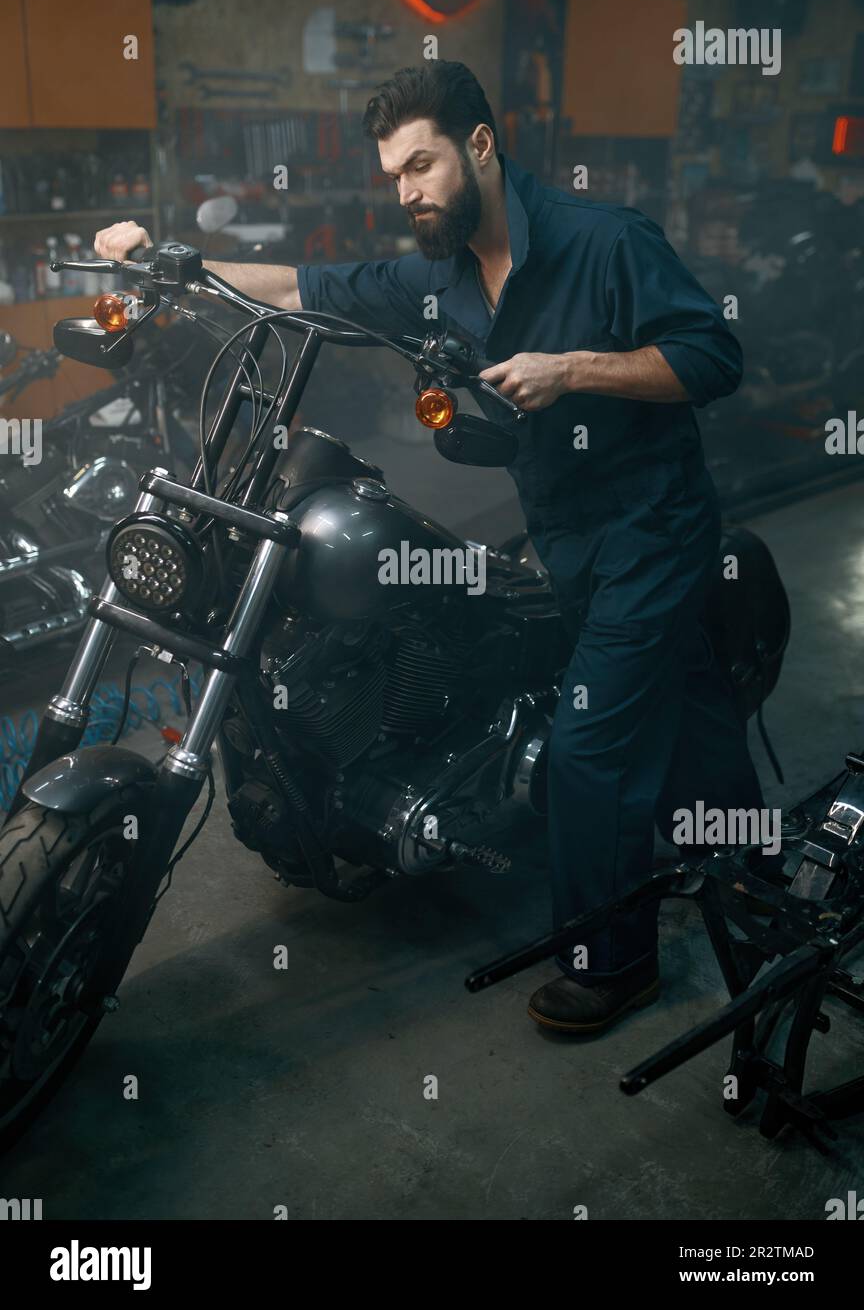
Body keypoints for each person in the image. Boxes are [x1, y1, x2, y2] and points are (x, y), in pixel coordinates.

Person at [94, 61, 764, 1036]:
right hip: (564, 535)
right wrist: (173, 261)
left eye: (420, 164)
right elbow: (301, 283)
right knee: (694, 703)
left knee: (588, 754)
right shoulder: (438, 276)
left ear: (480, 147)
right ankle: (751, 859)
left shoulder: (604, 242)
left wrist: (572, 368)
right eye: (393, 174)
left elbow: (713, 356)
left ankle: (613, 963)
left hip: (650, 531)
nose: (405, 190)